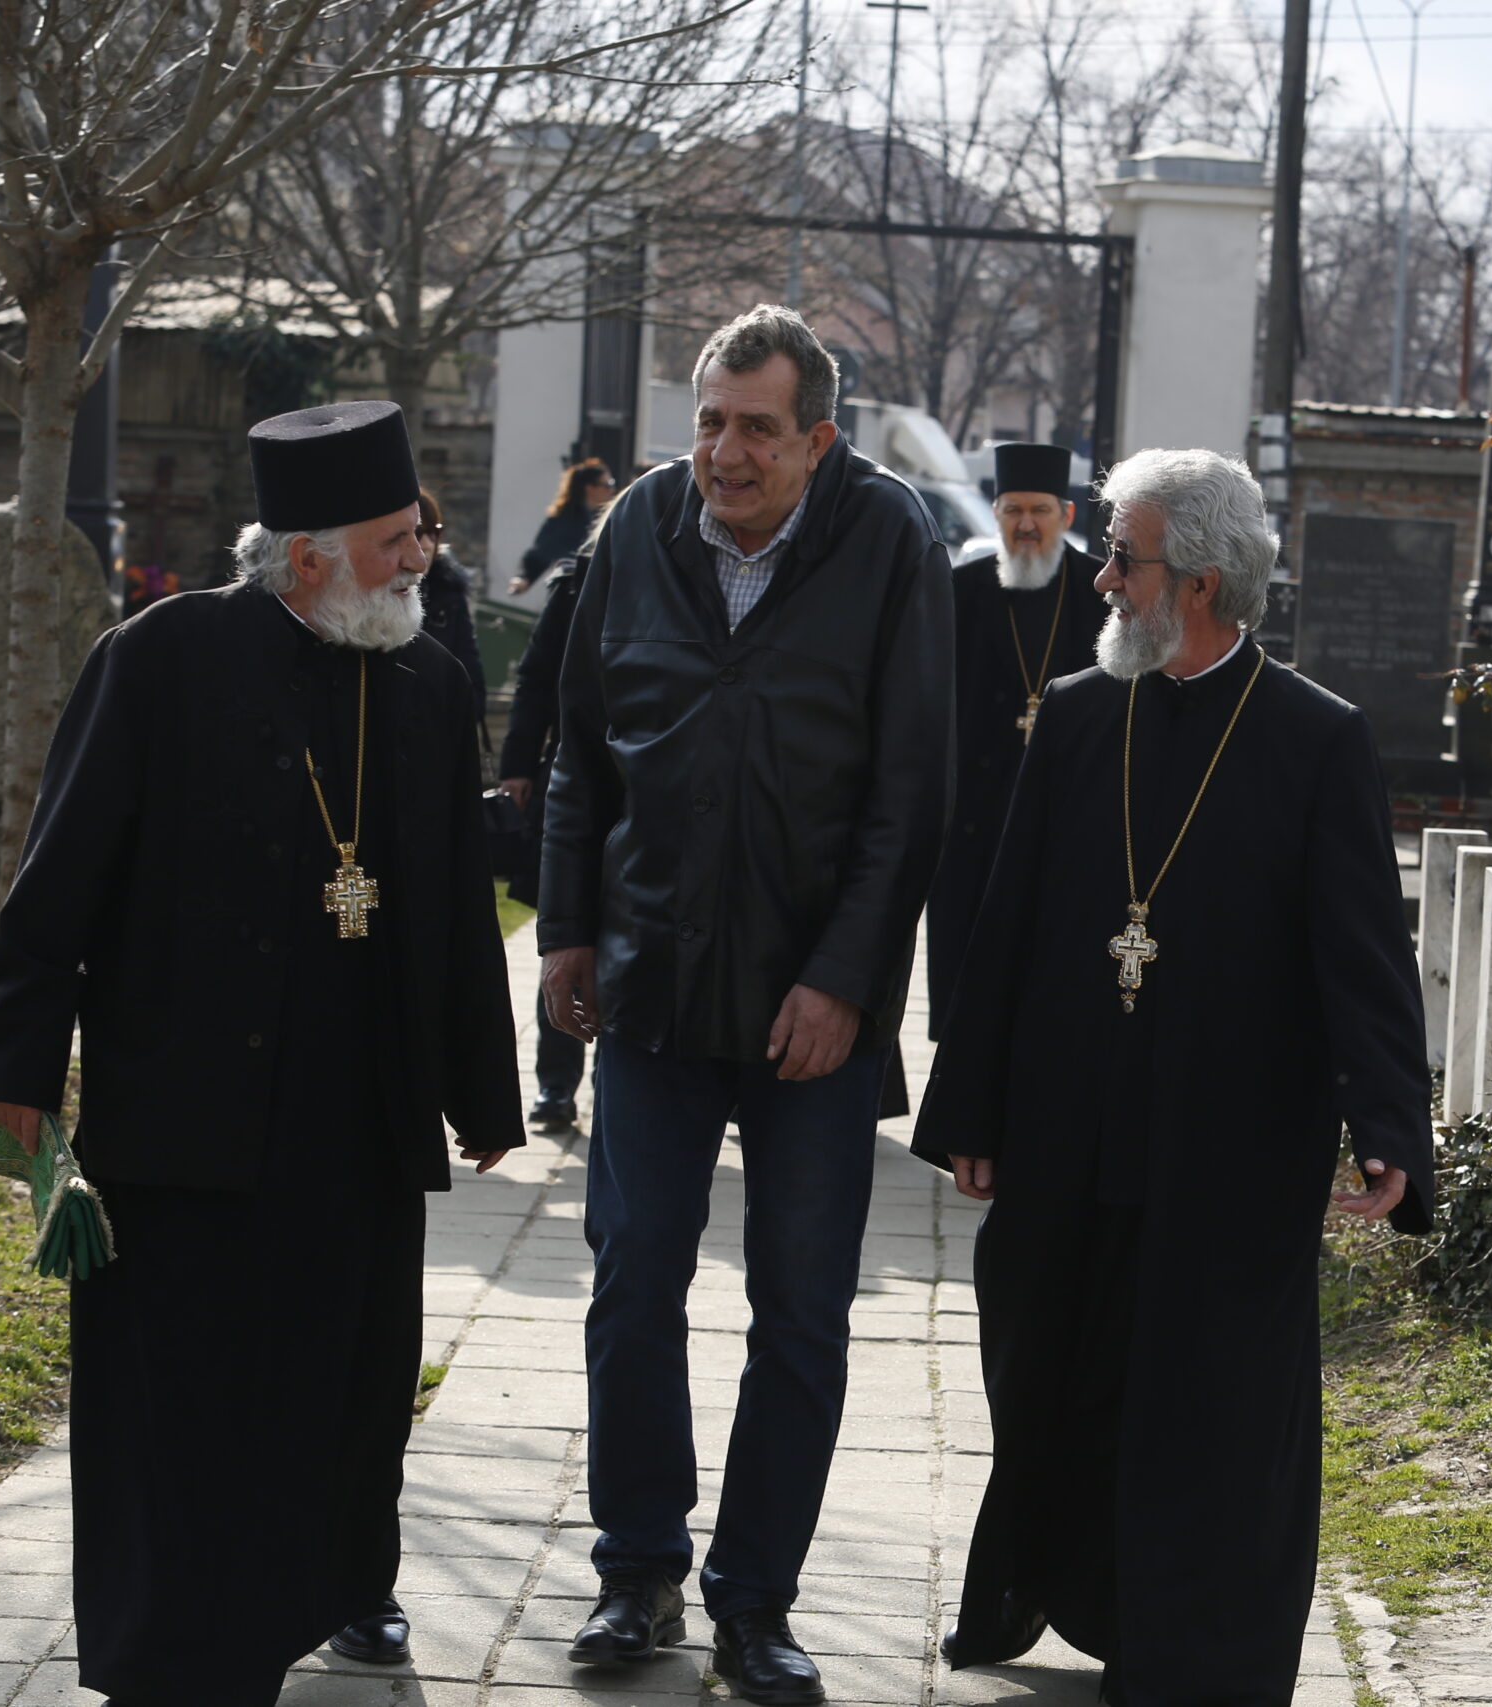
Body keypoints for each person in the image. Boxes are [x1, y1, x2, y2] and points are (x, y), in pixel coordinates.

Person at [0, 399, 524, 1706]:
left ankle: (313, 1604)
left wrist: (483, 1090)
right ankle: (172, 1651)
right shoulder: (161, 657)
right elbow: (58, 890)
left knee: (334, 1397)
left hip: (356, 1129)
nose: (418, 561)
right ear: (311, 552)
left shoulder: (430, 684)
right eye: (393, 541)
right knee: (182, 1409)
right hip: (184, 1120)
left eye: (417, 538)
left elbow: (453, 911)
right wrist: (18, 1089)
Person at [911, 447, 1434, 1707]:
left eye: (1122, 559)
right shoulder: (1089, 714)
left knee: (1208, 1399)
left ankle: (1197, 1646)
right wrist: (971, 1106)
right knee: (1056, 1363)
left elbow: (1362, 951)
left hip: (1230, 1138)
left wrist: (1387, 1125)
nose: (1100, 578)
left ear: (1197, 582)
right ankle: (1082, 1594)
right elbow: (1011, 918)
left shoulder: (1315, 738)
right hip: (1069, 1122)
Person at [537, 304, 952, 1698]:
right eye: (711, 418)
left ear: (818, 439)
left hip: (810, 1008)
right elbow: (577, 752)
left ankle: (756, 1597)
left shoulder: (889, 541)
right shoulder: (639, 527)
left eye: (756, 427)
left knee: (805, 1310)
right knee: (632, 1275)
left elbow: (909, 794)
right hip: (651, 981)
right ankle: (636, 1569)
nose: (724, 450)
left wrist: (846, 979)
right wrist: (569, 930)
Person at [925, 442, 1102, 1035]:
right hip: (972, 824)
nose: (1026, 524)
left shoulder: (1101, 594)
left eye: (1040, 510)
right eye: (1012, 510)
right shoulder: (959, 591)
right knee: (964, 996)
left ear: (1066, 516)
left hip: (1069, 821)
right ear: (995, 512)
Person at [497, 529, 595, 1128]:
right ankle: (556, 1086)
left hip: (658, 790)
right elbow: (536, 679)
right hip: (575, 779)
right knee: (565, 931)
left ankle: (622, 1091)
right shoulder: (579, 580)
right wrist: (516, 769)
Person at [415, 488, 490, 751]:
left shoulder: (450, 593)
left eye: (433, 532)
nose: (426, 543)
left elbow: (471, 678)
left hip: (437, 740)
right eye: (416, 532)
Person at [512, 457, 615, 594]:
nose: (612, 489)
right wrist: (525, 578)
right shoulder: (566, 518)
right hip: (570, 591)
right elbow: (542, 551)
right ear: (590, 487)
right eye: (608, 484)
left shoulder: (607, 518)